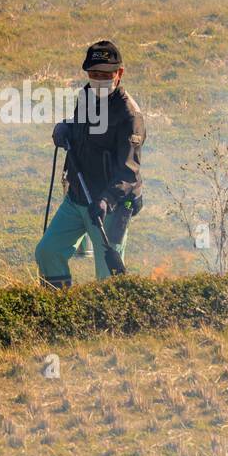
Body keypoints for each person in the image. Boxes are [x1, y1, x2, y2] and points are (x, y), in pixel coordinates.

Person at [35, 40, 146, 287]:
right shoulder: (86, 95)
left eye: (106, 75)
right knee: (48, 251)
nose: (99, 80)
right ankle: (59, 311)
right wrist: (66, 127)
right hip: (77, 196)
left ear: (120, 74)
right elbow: (82, 130)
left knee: (107, 275)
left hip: (112, 205)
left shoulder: (130, 116)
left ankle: (109, 322)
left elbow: (129, 171)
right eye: (94, 74)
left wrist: (106, 199)